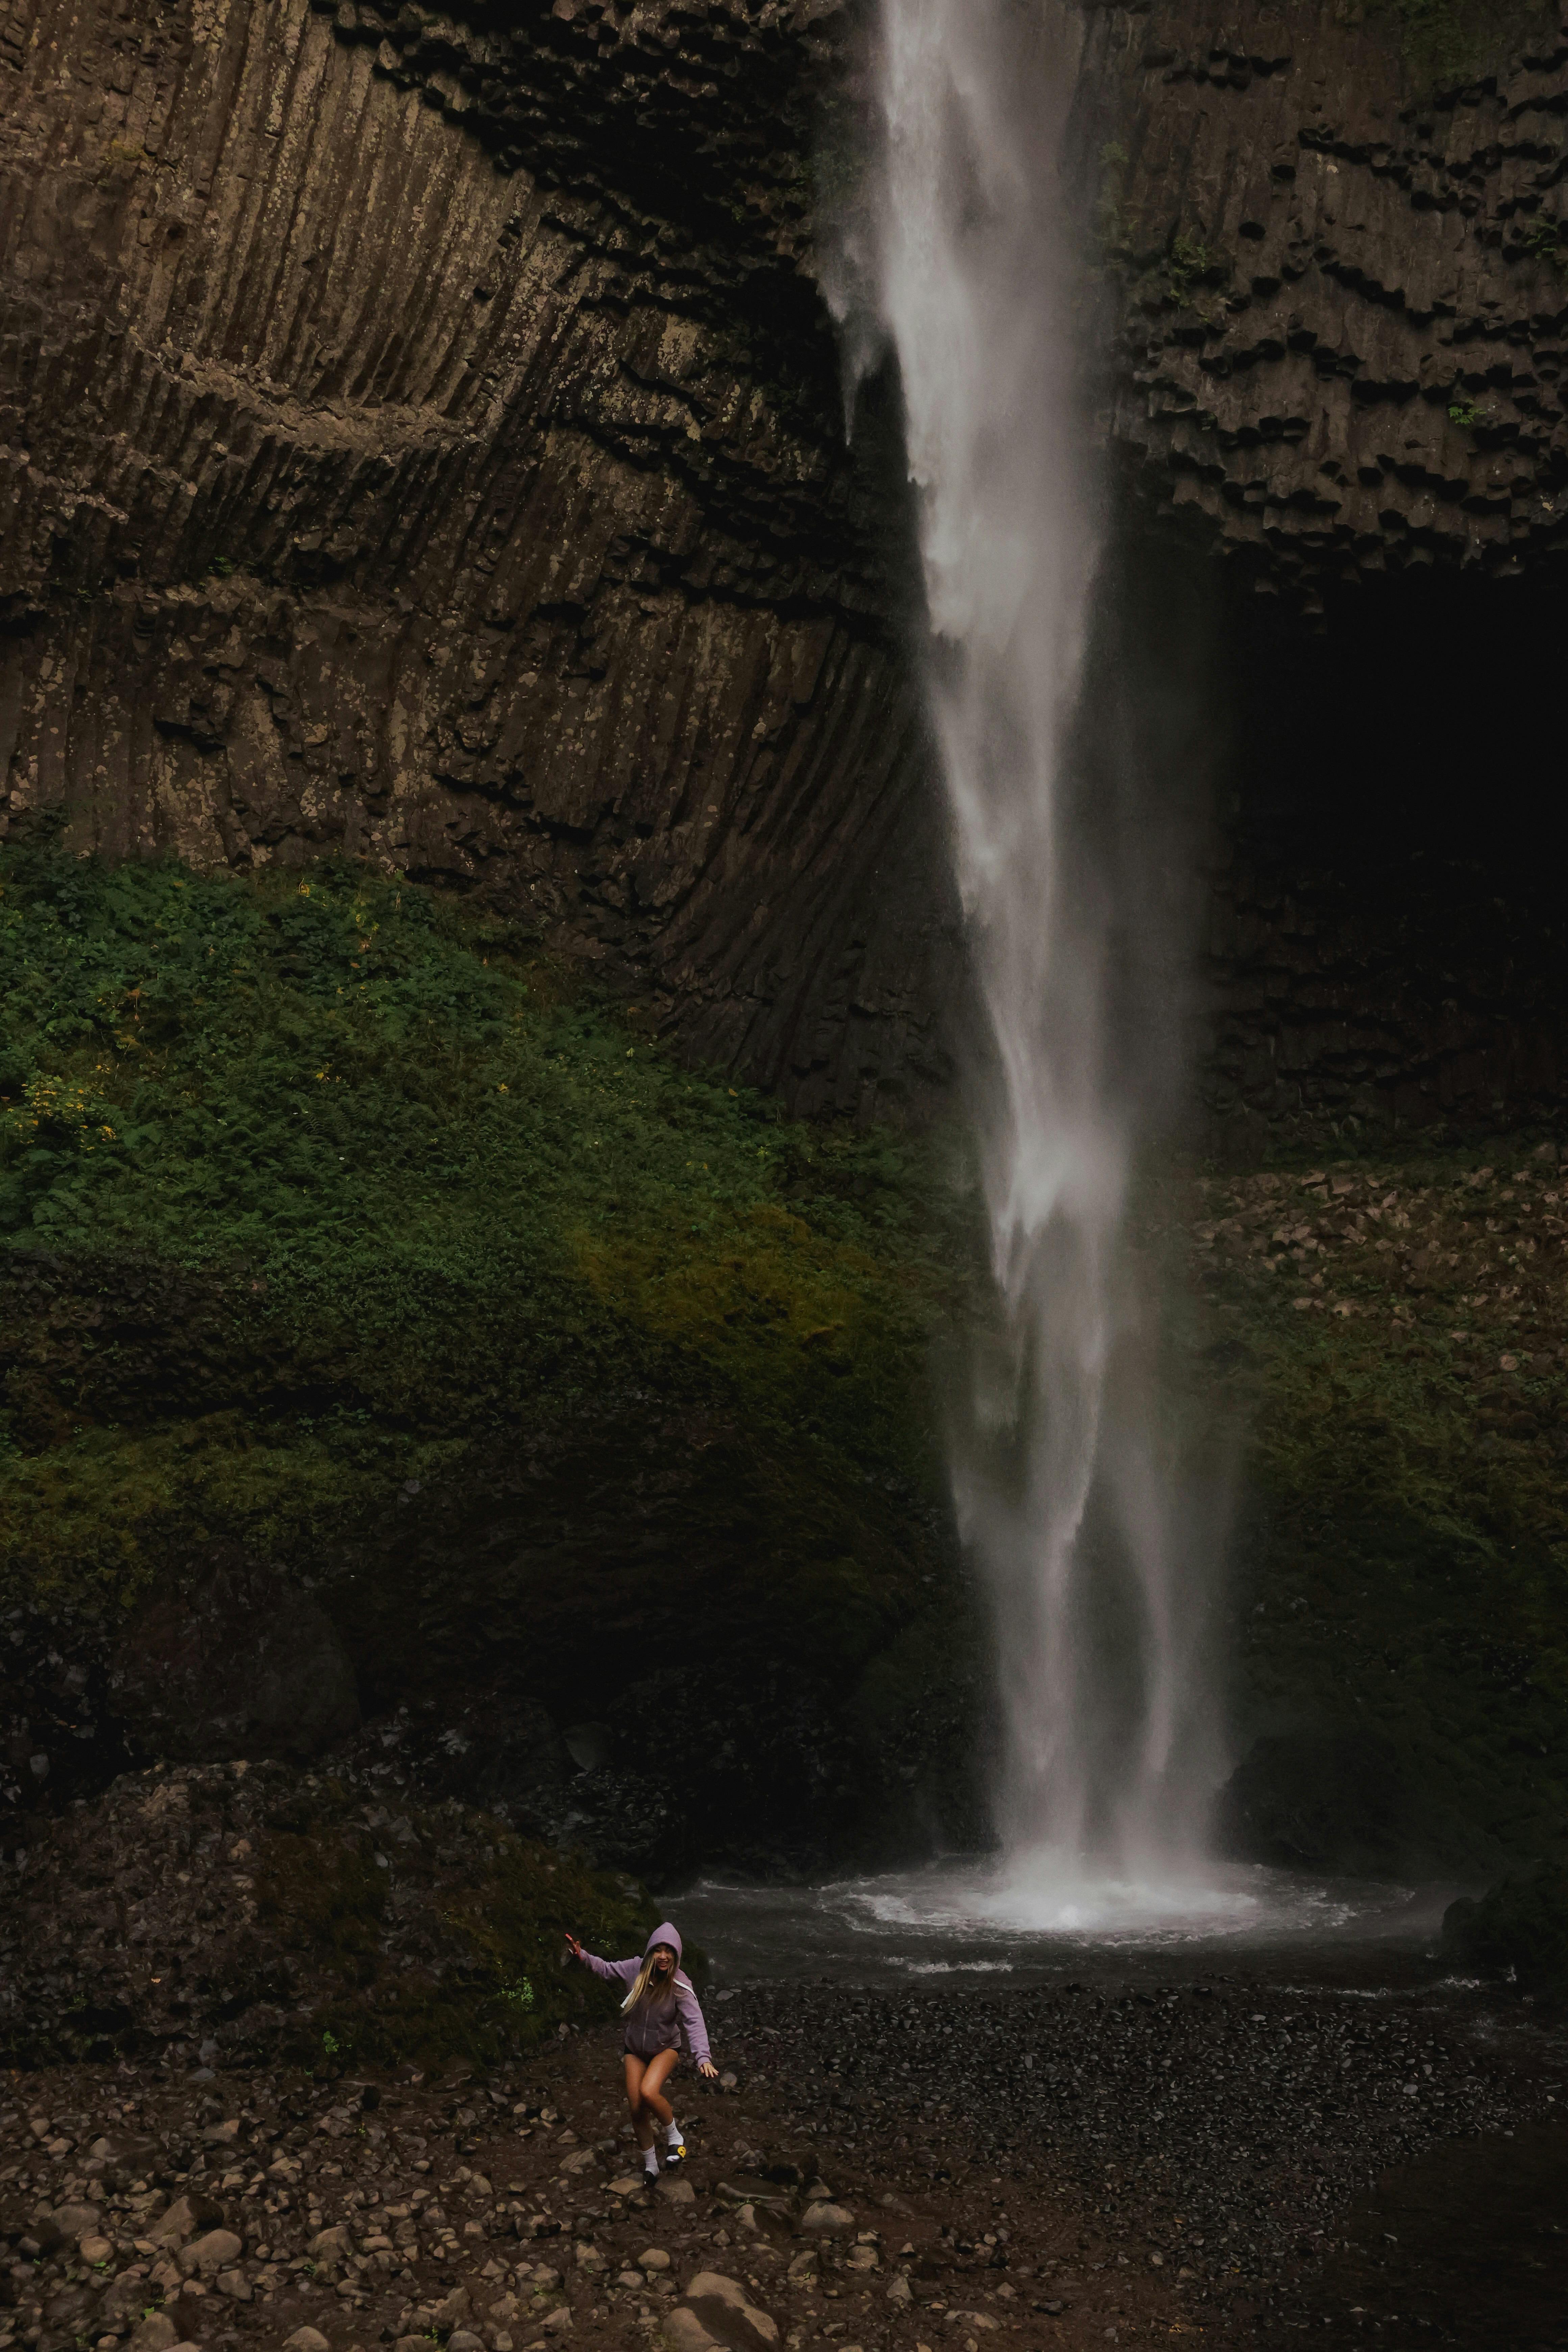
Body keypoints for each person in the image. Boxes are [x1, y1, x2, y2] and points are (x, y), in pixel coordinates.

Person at [564, 1920, 717, 2179]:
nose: (664, 1956)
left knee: (648, 2091)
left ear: (676, 1955)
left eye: (669, 1951)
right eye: (659, 1950)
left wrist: (703, 2056)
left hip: (666, 2048)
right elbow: (606, 1970)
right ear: (651, 1952)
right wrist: (583, 1956)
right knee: (636, 2109)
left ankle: (674, 2137)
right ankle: (652, 2166)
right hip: (634, 2049)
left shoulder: (680, 1984)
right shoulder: (635, 1968)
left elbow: (695, 2021)